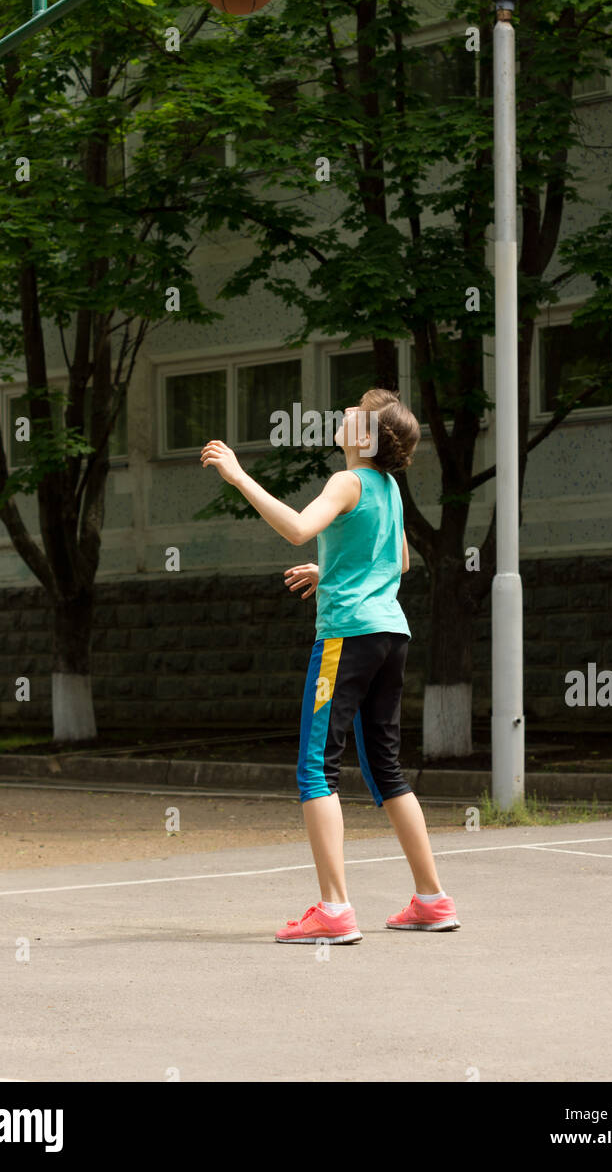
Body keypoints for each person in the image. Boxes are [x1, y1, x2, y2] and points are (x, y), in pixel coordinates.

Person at [201, 388, 459, 943]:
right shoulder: (388, 487)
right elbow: (401, 562)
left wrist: (239, 476)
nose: (342, 417)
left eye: (352, 415)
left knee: (315, 767)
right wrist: (332, 573)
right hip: (391, 631)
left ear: (365, 436)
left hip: (348, 635)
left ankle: (335, 910)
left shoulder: (348, 481)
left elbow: (298, 528)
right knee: (386, 769)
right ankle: (433, 900)